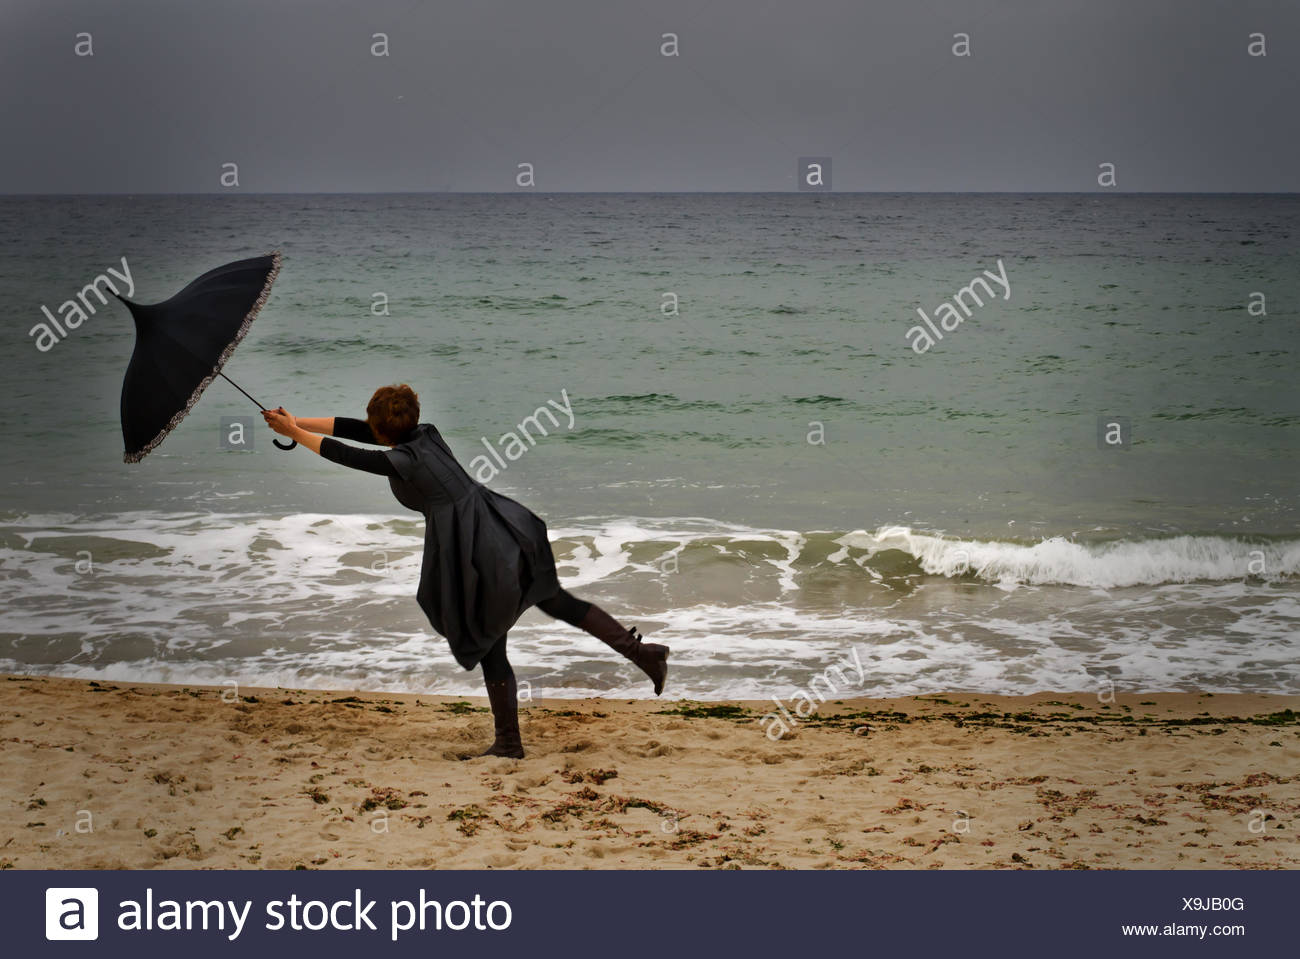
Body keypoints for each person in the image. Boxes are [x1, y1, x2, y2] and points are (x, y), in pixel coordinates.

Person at [262, 384, 668, 759]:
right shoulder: (426, 434)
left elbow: (352, 454)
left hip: (475, 545)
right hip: (504, 524)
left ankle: (510, 742)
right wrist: (297, 423)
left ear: (387, 432)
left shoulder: (402, 459)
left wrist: (296, 434)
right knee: (554, 604)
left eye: (375, 426)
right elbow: (360, 432)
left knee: (489, 635)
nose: (371, 429)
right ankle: (642, 654)